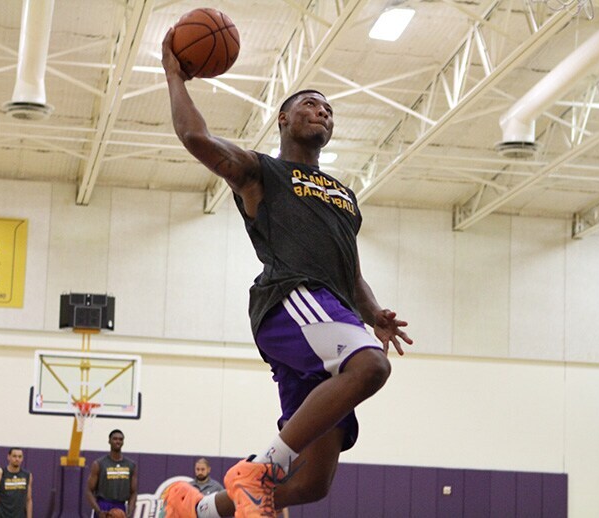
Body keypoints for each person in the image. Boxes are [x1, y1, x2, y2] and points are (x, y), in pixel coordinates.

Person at [159, 27, 413, 518]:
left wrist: (374, 311)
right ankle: (257, 469)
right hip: (290, 300)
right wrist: (175, 75)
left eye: (329, 111)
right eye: (312, 105)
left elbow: (350, 271)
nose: (323, 113)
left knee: (315, 483)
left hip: (332, 310)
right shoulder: (261, 172)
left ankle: (201, 510)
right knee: (372, 367)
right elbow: (195, 137)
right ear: (283, 119)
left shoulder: (344, 196)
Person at [85, 430, 137, 518]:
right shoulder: (99, 463)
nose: (118, 441)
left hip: (120, 506)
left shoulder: (131, 465)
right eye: (115, 439)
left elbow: (133, 492)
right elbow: (89, 491)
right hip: (103, 505)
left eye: (120, 439)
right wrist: (98, 511)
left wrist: (130, 511)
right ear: (109, 441)